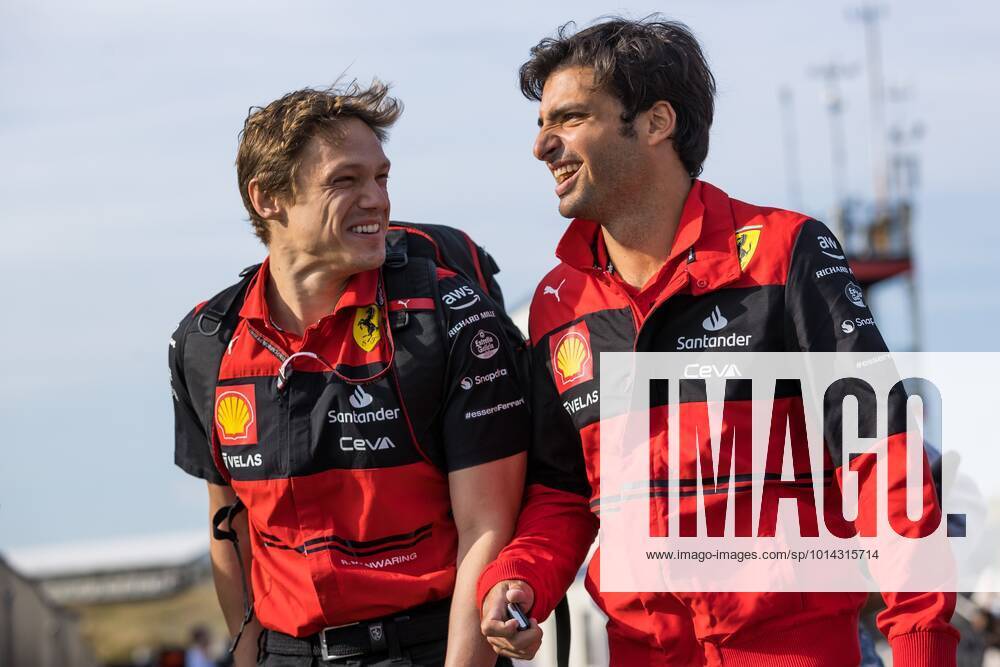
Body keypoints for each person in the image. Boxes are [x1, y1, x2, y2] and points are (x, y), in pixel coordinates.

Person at [478, 17, 959, 666]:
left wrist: (922, 645)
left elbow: (884, 464)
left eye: (569, 119)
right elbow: (563, 494)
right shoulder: (558, 304)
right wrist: (520, 578)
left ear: (655, 123)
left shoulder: (786, 253)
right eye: (541, 125)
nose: (542, 145)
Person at [169, 81, 528, 667]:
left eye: (381, 178)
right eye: (345, 180)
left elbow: (487, 526)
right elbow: (229, 528)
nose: (377, 200)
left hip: (434, 647)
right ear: (268, 199)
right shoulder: (204, 342)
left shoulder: (449, 314)